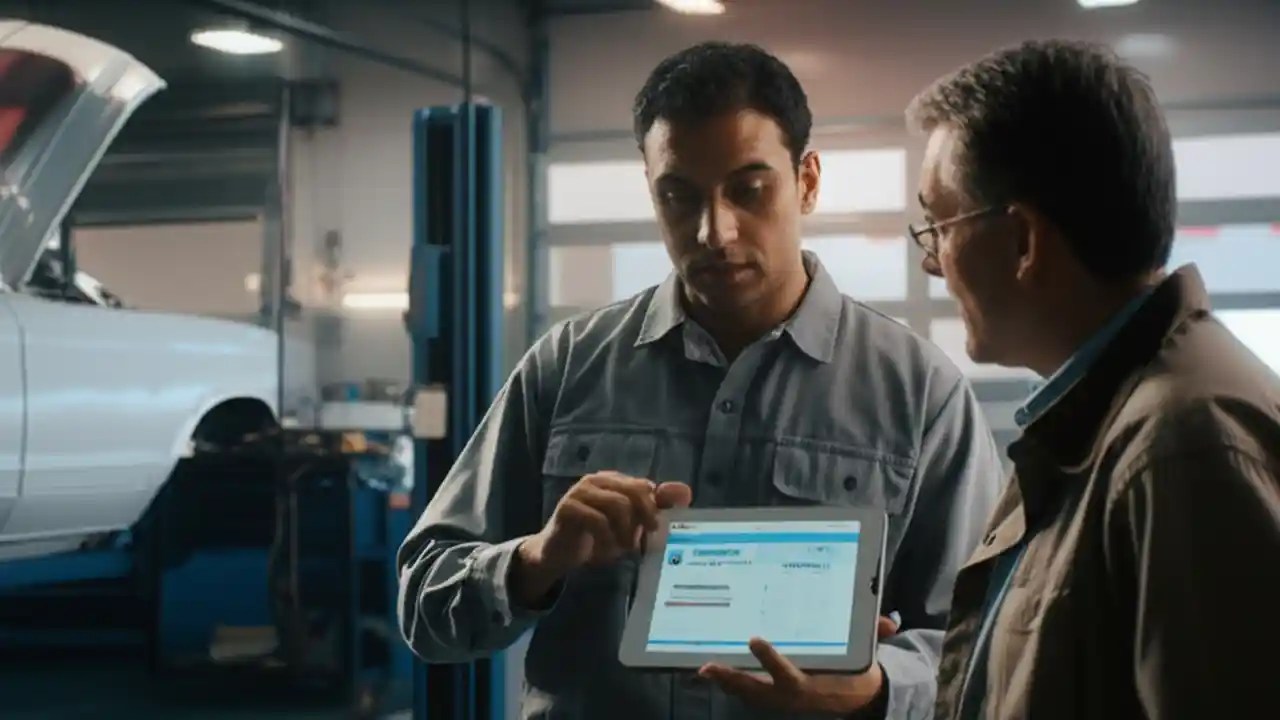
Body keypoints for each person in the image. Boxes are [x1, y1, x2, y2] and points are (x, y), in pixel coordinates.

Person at [398, 41, 1004, 720]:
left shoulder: (921, 395)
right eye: (679, 196)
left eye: (749, 190)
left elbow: (984, 648)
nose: (714, 232)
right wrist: (536, 561)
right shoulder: (566, 367)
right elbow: (423, 607)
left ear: (807, 181)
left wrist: (878, 688)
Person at [906, 39, 1280, 720]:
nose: (933, 263)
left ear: (1023, 241)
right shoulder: (1105, 417)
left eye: (940, 225)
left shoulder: (1180, 444)